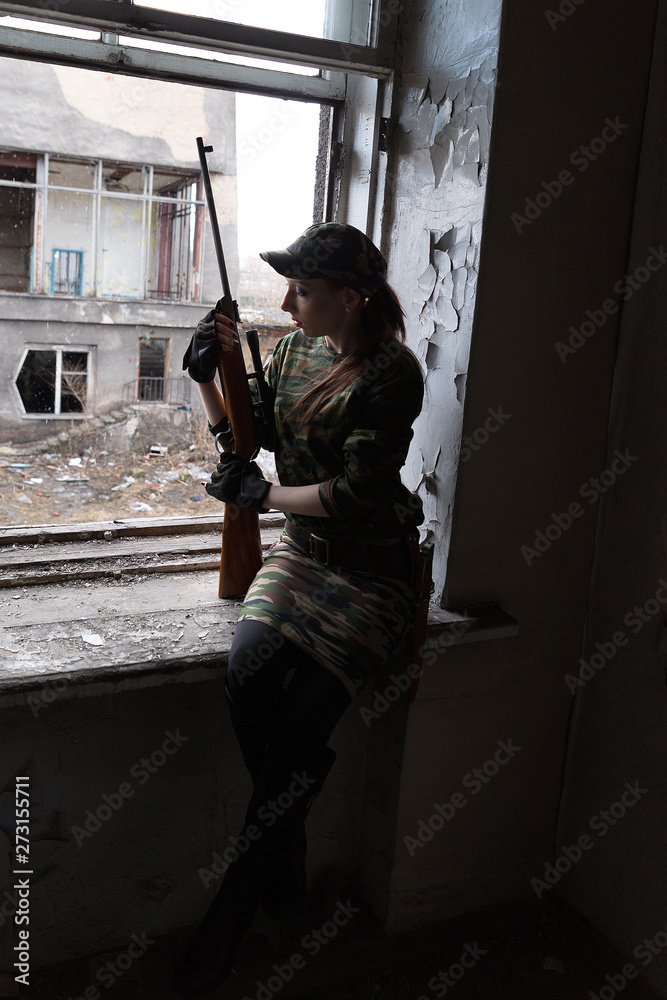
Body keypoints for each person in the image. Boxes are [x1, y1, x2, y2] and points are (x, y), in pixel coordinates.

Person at [173, 223, 424, 998]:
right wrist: (208, 382)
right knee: (246, 674)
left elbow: (357, 494)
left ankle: (234, 907)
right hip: (300, 557)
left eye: (304, 291)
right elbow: (247, 441)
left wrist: (265, 497)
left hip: (370, 572)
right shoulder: (289, 351)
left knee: (296, 725)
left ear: (351, 298)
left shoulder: (391, 373)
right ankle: (287, 851)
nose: (287, 302)